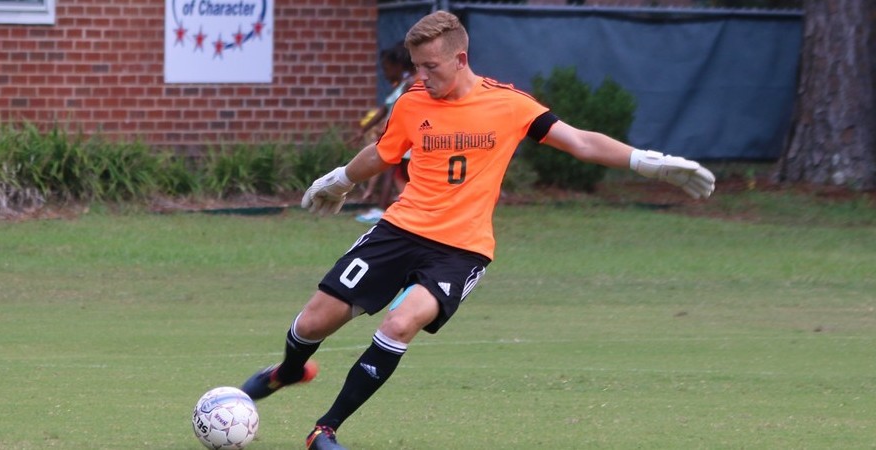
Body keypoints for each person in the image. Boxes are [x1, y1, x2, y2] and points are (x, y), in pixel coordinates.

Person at [241, 10, 715, 450]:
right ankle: (288, 370)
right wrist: (341, 179)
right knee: (313, 322)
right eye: (416, 67)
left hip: (460, 250)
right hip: (400, 231)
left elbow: (580, 142)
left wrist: (648, 163)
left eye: (430, 67)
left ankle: (324, 430)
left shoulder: (509, 105)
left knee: (400, 323)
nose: (422, 77)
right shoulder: (412, 103)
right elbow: (383, 153)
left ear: (460, 59)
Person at [354, 41, 416, 224]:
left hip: (403, 136)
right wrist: (365, 129)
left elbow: (400, 110)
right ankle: (400, 208)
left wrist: (389, 126)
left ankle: (384, 209)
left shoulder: (410, 84)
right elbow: (384, 110)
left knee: (395, 172)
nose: (385, 73)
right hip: (396, 135)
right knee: (397, 174)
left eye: (387, 68)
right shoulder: (403, 84)